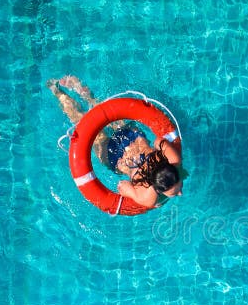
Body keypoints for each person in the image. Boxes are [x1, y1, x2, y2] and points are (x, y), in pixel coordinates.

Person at [47, 76, 183, 207]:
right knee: (82, 122)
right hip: (115, 157)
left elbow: (159, 141)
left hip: (133, 136)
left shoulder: (174, 158)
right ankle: (57, 92)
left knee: (101, 114)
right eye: (176, 191)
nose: (180, 193)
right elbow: (123, 186)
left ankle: (78, 89)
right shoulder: (146, 197)